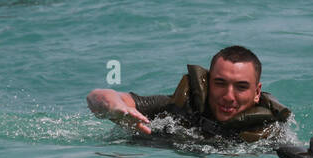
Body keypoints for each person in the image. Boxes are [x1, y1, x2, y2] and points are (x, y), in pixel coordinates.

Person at [86, 46, 291, 142]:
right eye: (220, 83)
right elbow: (96, 96)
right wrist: (115, 109)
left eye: (241, 87)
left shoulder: (270, 132)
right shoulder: (176, 109)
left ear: (257, 93)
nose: (229, 96)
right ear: (208, 84)